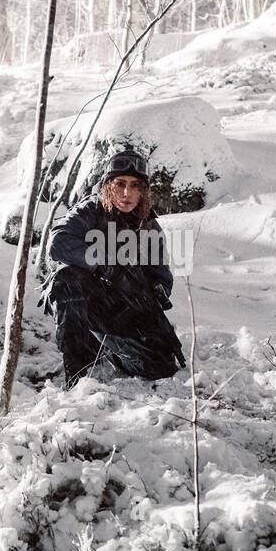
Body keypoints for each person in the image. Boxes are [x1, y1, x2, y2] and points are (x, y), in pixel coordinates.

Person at [43, 151, 185, 388]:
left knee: (160, 368)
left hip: (127, 311)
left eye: (135, 185)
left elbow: (163, 280)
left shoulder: (149, 227)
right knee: (66, 279)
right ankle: (78, 373)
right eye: (120, 184)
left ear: (143, 191)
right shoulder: (90, 210)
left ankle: (109, 350)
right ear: (108, 186)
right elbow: (57, 244)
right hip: (93, 301)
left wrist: (149, 294)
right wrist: (106, 265)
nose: (127, 193)